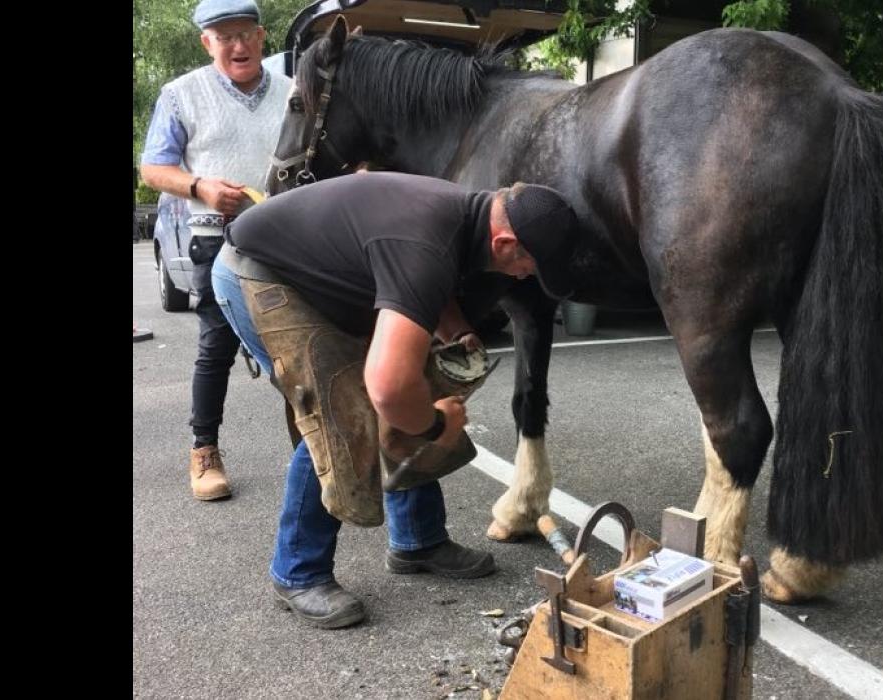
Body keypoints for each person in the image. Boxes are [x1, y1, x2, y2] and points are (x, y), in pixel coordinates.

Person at [212, 171, 581, 628]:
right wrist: (432, 425)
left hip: (325, 278)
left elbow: (428, 282)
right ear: (505, 243)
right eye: (532, 267)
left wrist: (457, 331)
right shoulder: (427, 243)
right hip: (261, 277)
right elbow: (388, 385)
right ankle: (297, 572)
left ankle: (417, 541)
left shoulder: (465, 217)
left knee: (416, 384)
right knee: (338, 418)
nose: (528, 276)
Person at [139, 0, 291, 501]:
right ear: (208, 43)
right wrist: (200, 185)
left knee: (301, 344)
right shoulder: (181, 94)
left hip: (290, 237)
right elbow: (154, 169)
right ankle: (204, 450)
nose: (237, 45)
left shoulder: (294, 94)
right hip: (215, 235)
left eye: (244, 33)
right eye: (223, 36)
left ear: (261, 36)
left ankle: (310, 447)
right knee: (217, 344)